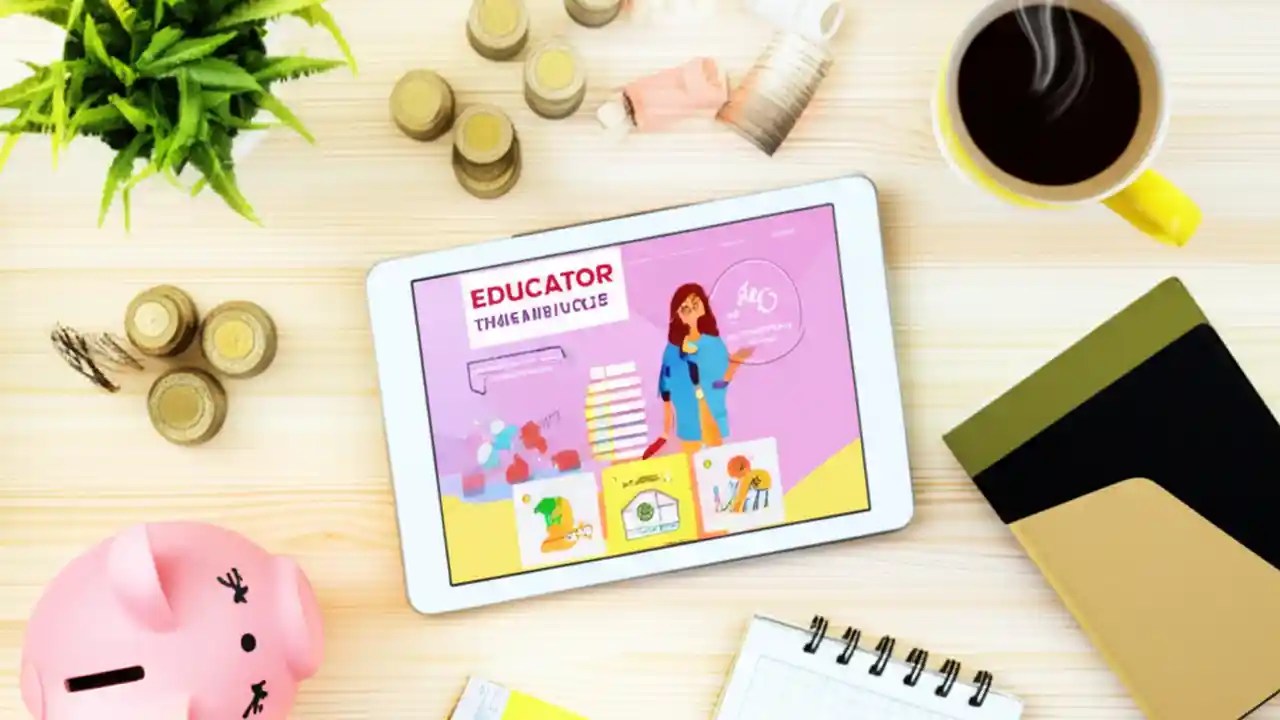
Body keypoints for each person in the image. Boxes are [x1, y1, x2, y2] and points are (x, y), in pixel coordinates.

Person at [657, 283, 753, 454]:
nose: (692, 311)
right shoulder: (672, 350)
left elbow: (721, 382)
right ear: (678, 315)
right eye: (685, 309)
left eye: (695, 304)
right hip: (686, 423)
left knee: (716, 459)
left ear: (703, 306)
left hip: (711, 416)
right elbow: (666, 390)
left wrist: (736, 362)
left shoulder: (713, 343)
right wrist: (666, 430)